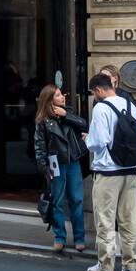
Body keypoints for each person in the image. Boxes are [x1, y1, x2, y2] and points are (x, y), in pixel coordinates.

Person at [85, 74, 136, 271]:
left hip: (108, 171)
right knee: (130, 220)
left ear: (98, 90)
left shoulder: (101, 108)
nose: (95, 96)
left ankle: (106, 266)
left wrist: (87, 139)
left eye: (94, 92)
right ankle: (131, 265)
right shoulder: (130, 105)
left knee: (105, 220)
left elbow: (98, 142)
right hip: (130, 170)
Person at [98, 64, 136, 260]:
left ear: (116, 79)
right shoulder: (100, 99)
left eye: (107, 77)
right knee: (119, 212)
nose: (104, 80)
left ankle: (134, 248)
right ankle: (124, 252)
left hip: (120, 158)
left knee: (123, 213)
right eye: (101, 76)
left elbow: (134, 127)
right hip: (112, 159)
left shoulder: (124, 97)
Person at [34, 85, 88, 254]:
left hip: (72, 162)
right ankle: (59, 237)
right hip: (54, 163)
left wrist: (67, 116)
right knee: (57, 201)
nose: (62, 97)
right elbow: (39, 146)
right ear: (50, 100)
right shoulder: (43, 121)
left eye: (61, 94)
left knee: (77, 200)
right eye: (58, 95)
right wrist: (44, 168)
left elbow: (84, 124)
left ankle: (79, 238)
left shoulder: (68, 112)